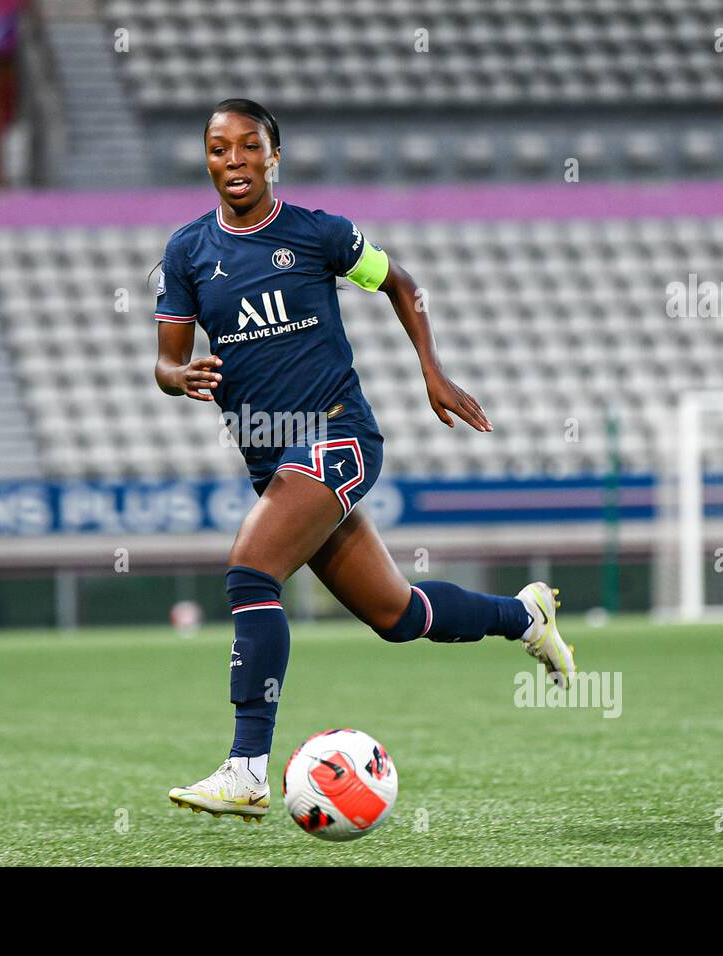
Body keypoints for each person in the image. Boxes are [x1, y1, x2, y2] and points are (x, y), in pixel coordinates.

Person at [154, 99, 577, 822]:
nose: (233, 161)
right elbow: (164, 363)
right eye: (218, 149)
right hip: (270, 459)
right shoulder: (187, 251)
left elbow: (402, 285)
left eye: (248, 147)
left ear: (272, 156)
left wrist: (432, 372)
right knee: (397, 614)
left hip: (339, 435)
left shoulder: (319, 234)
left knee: (251, 572)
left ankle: (247, 769)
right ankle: (524, 614)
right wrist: (180, 375)